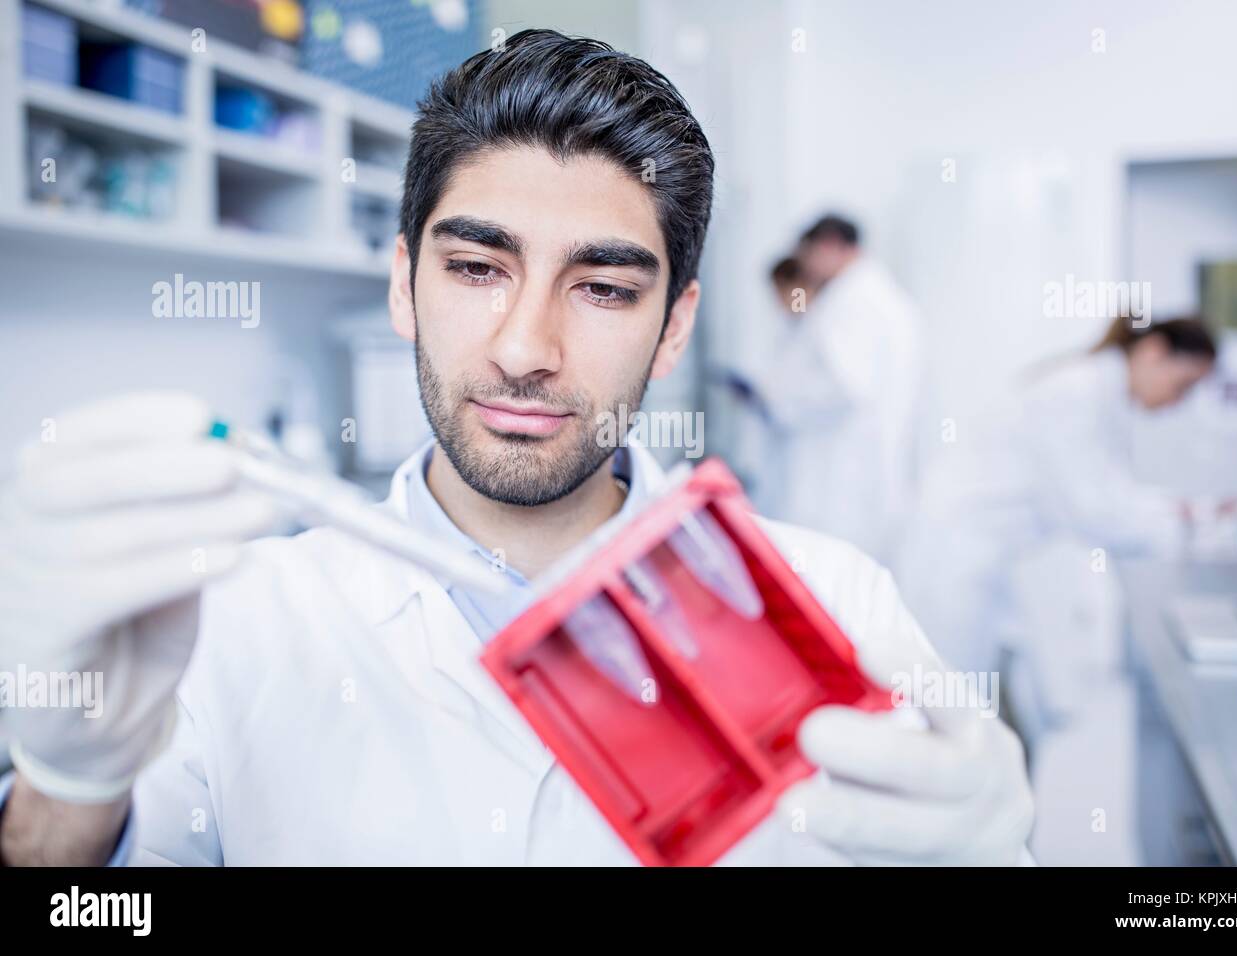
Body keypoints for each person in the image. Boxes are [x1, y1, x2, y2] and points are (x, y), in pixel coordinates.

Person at [0, 31, 1031, 866]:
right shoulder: (235, 619)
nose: (525, 350)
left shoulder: (838, 604)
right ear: (405, 284)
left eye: (605, 288)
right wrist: (68, 794)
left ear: (673, 327)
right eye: (478, 268)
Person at [895, 315, 1219, 720]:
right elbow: (1092, 510)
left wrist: (1185, 512)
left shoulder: (1097, 392)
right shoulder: (1076, 392)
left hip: (978, 558)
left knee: (968, 705)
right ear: (1154, 351)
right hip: (953, 558)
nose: (1177, 402)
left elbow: (1108, 492)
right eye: (1183, 386)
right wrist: (1187, 526)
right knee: (945, 709)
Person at [748, 215, 923, 562]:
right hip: (863, 472)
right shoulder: (880, 297)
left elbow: (845, 387)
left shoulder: (853, 302)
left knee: (832, 578)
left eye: (808, 254)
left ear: (828, 246)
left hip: (842, 477)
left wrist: (778, 400)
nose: (807, 268)